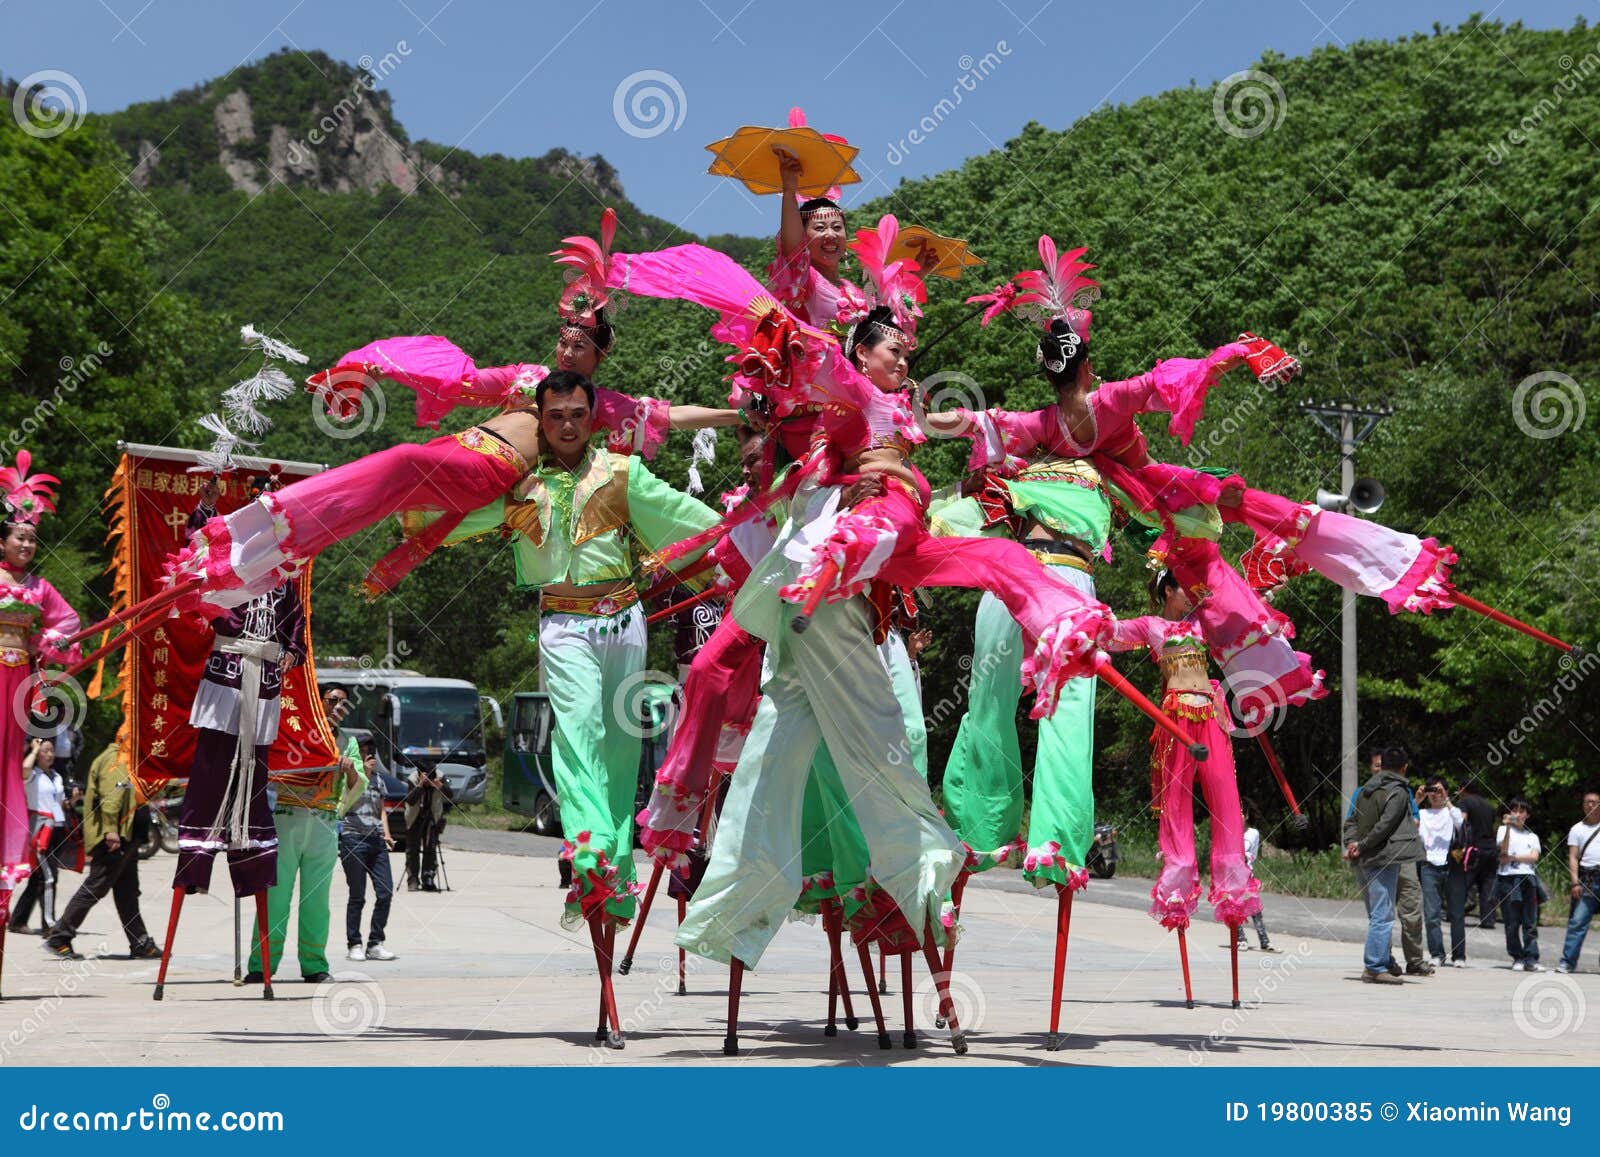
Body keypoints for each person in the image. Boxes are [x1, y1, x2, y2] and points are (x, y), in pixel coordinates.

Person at [0, 452, 80, 979]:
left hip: (16, 684)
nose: (26, 545)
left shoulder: (38, 589)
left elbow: (68, 621)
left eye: (32, 539)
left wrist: (51, 638)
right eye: (18, 537)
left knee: (10, 766)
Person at [245, 686, 364, 984]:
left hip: (323, 823)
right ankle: (262, 964)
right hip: (288, 818)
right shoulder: (299, 731)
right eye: (332, 700)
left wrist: (349, 770)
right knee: (275, 894)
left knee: (316, 899)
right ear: (318, 702)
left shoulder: (348, 742)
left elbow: (359, 783)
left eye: (343, 703)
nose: (337, 707)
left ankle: (314, 965)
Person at [43, 743, 159, 960]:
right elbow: (112, 796)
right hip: (115, 839)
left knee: (127, 893)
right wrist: (110, 831)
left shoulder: (128, 756)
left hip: (128, 838)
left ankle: (140, 942)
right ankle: (59, 936)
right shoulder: (116, 758)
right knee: (95, 886)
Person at [1343, 745, 1422, 984]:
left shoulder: (1365, 790)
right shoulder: (1397, 791)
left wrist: (1352, 844)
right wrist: (1364, 845)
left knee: (1378, 912)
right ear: (1404, 767)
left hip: (1363, 860)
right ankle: (1375, 967)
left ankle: (1384, 961)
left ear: (1382, 764)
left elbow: (1351, 821)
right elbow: (1386, 826)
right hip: (1383, 859)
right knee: (1383, 914)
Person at [339, 735, 396, 961]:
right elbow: (349, 798)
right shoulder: (349, 777)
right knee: (357, 895)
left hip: (376, 840)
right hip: (353, 839)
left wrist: (388, 835)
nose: (367, 755)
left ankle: (376, 942)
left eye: (370, 751)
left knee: (385, 891)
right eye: (363, 751)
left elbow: (380, 810)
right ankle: (354, 943)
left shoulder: (379, 780)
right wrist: (364, 772)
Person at [9, 738, 72, 934]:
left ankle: (18, 920)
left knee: (39, 878)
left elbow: (59, 804)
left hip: (56, 829)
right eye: (45, 751)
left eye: (52, 750)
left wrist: (71, 801)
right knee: (49, 877)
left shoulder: (56, 776)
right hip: (39, 831)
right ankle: (50, 924)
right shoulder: (32, 775)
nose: (50, 754)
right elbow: (23, 769)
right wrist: (34, 750)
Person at [1415, 775, 1464, 967]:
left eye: (1438, 790)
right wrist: (1417, 800)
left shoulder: (1452, 812)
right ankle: (1437, 953)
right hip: (1428, 866)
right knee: (1431, 914)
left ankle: (1459, 956)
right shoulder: (1423, 813)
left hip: (1452, 865)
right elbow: (1405, 820)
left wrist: (1447, 800)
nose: (1435, 795)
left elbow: (1461, 824)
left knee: (1457, 914)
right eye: (1431, 791)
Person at [1496, 799, 1543, 971]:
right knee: (1511, 921)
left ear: (1527, 815)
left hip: (1528, 878)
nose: (1517, 814)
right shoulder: (1502, 830)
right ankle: (1517, 956)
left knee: (1530, 921)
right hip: (1508, 878)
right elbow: (1503, 850)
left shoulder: (1532, 836)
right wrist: (1508, 826)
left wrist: (1513, 858)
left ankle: (1531, 958)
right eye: (1514, 810)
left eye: (1521, 811)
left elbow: (1534, 857)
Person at [1557, 788, 1600, 973]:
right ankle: (1567, 962)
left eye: (1595, 802)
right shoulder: (1577, 829)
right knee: (1578, 922)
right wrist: (1575, 882)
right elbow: (1573, 857)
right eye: (1588, 802)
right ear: (1583, 806)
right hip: (1588, 878)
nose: (1591, 805)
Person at [1454, 779, 1500, 929]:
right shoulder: (1487, 804)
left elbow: (1461, 822)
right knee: (1488, 884)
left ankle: (1455, 913)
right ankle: (1488, 919)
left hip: (1473, 849)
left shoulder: (1465, 802)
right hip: (1491, 848)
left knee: (1463, 881)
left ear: (1463, 789)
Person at [403, 762, 450, 893]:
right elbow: (410, 800)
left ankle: (428, 877)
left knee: (430, 849)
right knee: (413, 850)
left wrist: (442, 787)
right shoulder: (413, 779)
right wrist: (420, 786)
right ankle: (412, 880)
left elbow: (451, 796)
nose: (430, 780)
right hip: (414, 818)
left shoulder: (440, 777)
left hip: (432, 818)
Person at [1237, 801, 1275, 952]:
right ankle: (1240, 938)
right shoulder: (1227, 832)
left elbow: (1252, 854)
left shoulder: (1253, 833)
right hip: (1231, 876)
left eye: (1240, 813)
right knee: (1235, 908)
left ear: (1246, 815)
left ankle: (1264, 940)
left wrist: (1245, 857)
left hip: (1246, 875)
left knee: (1255, 909)